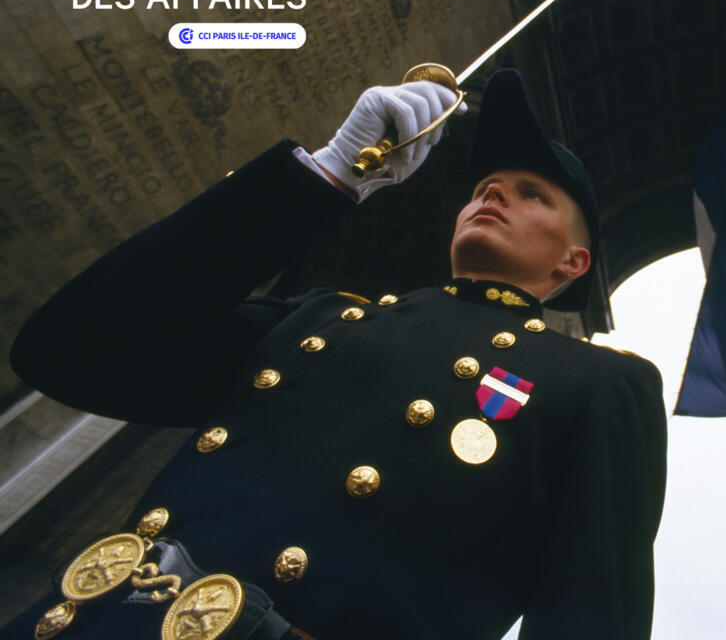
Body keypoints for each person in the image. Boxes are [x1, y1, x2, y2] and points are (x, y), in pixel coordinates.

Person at [4, 69, 667, 640]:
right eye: (486, 183)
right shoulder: (322, 315)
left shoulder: (602, 384)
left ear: (572, 262)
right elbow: (72, 349)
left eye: (532, 193)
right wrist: (323, 175)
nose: (492, 192)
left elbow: (590, 618)